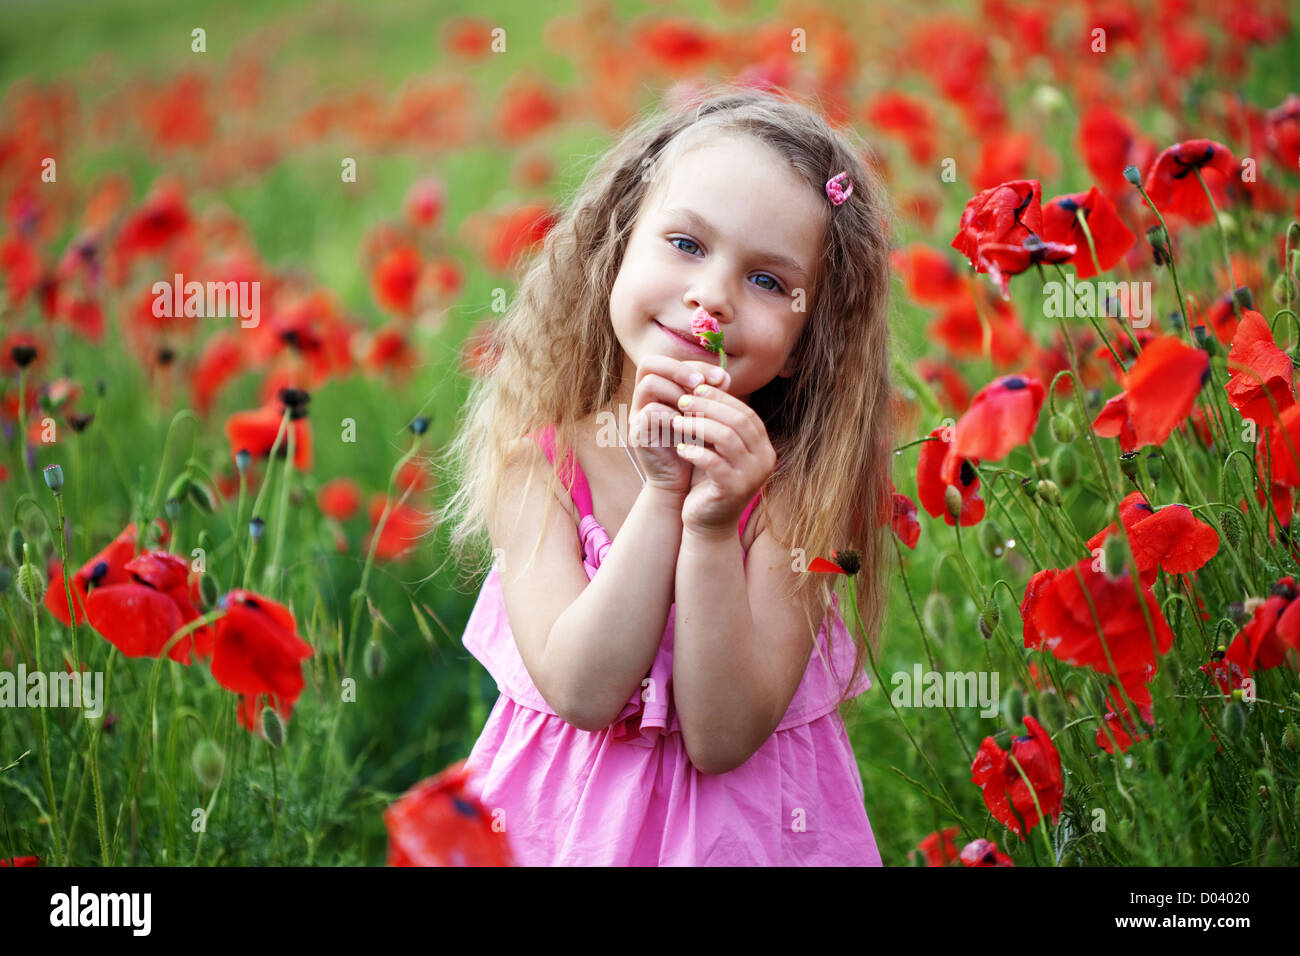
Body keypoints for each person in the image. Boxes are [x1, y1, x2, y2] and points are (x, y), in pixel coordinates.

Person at [435, 84, 898, 865]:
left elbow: (722, 736)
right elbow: (583, 691)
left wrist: (713, 524)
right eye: (686, 244)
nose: (710, 297)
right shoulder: (540, 463)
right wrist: (662, 497)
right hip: (570, 834)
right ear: (618, 244)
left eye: (765, 281)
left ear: (804, 342)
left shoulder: (792, 489)